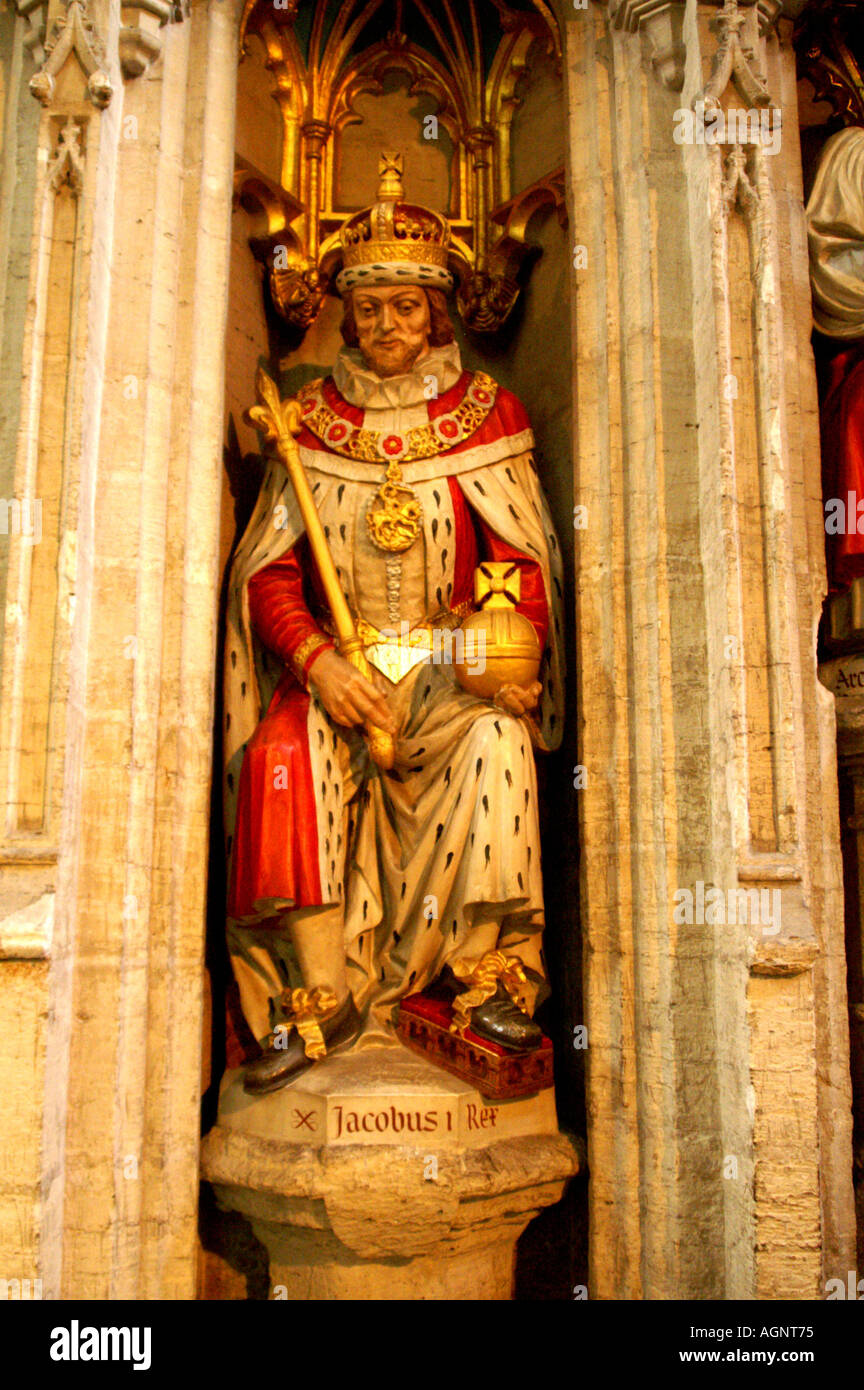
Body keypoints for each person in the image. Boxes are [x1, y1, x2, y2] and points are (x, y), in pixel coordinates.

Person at [223, 154, 565, 1094]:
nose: (386, 326)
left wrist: (497, 657)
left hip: (449, 672)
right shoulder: (309, 423)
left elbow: (520, 569)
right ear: (344, 314)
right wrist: (319, 663)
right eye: (367, 309)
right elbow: (269, 575)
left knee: (501, 742)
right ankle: (321, 995)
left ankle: (481, 978)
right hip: (341, 674)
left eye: (406, 306)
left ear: (438, 310)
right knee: (280, 756)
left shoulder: (487, 417)